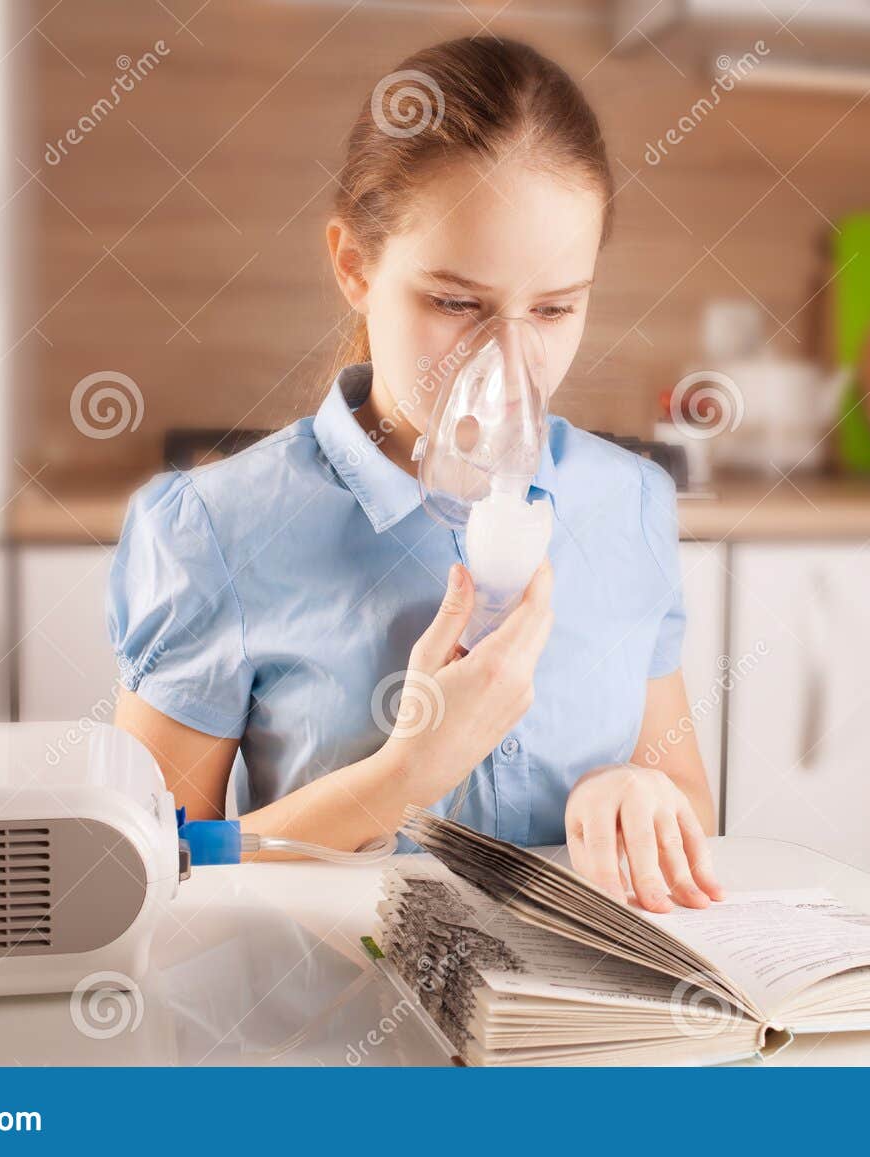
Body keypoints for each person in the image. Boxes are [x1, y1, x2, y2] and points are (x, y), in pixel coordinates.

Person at [109, 36, 722, 912]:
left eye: (553, 308)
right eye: (456, 303)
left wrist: (632, 796)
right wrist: (403, 775)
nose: (508, 360)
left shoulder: (628, 502)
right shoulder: (216, 529)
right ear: (354, 266)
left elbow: (689, 800)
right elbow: (143, 867)